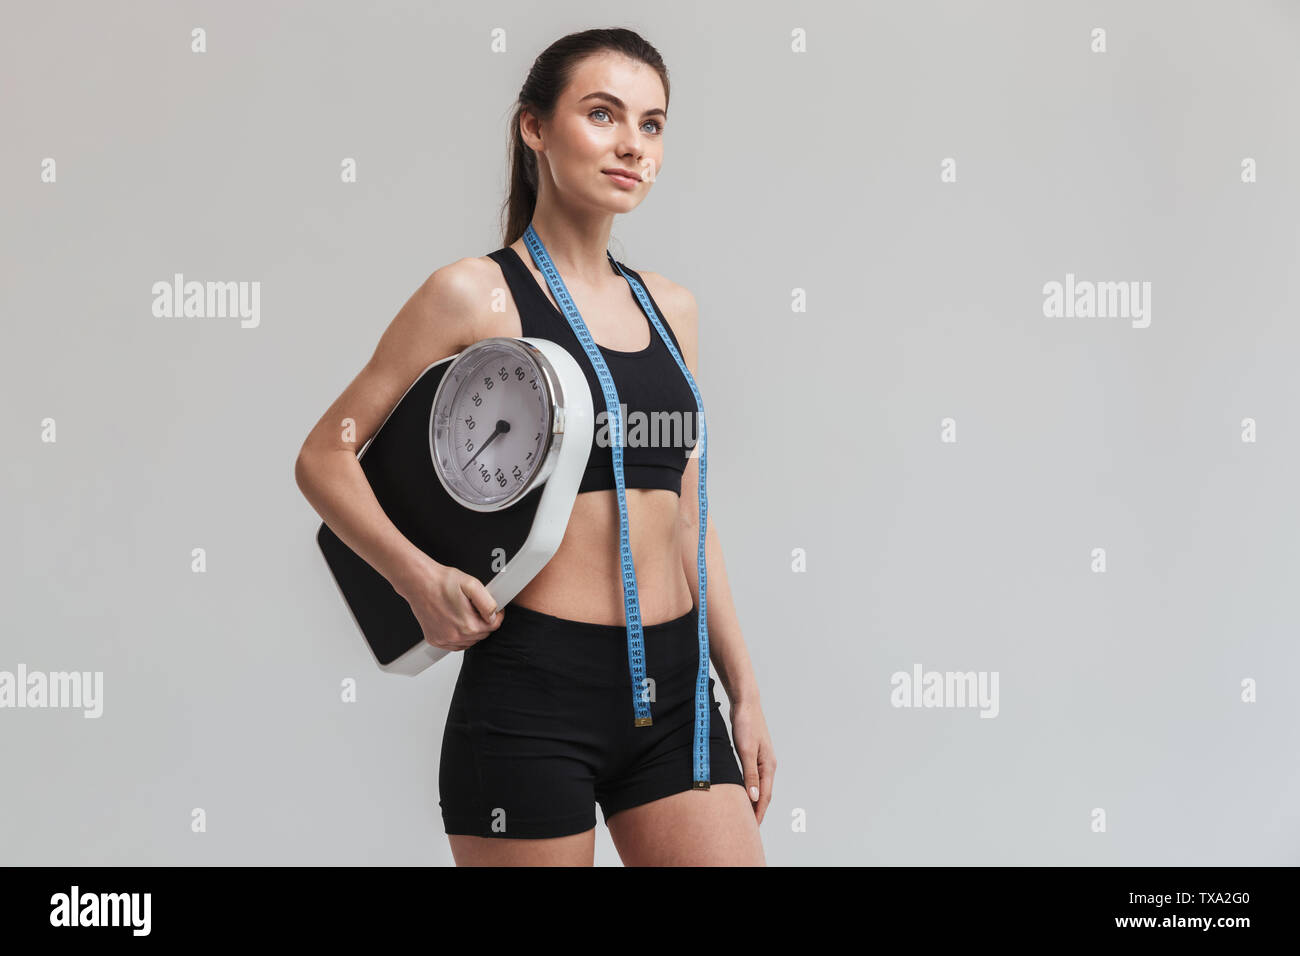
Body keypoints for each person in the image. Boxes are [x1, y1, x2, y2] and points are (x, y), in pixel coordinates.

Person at [295, 28, 773, 866]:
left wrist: (745, 690)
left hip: (673, 694)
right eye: (602, 114)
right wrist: (420, 579)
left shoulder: (673, 309)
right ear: (535, 129)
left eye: (653, 124)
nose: (632, 143)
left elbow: (689, 512)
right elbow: (324, 455)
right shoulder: (473, 294)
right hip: (532, 691)